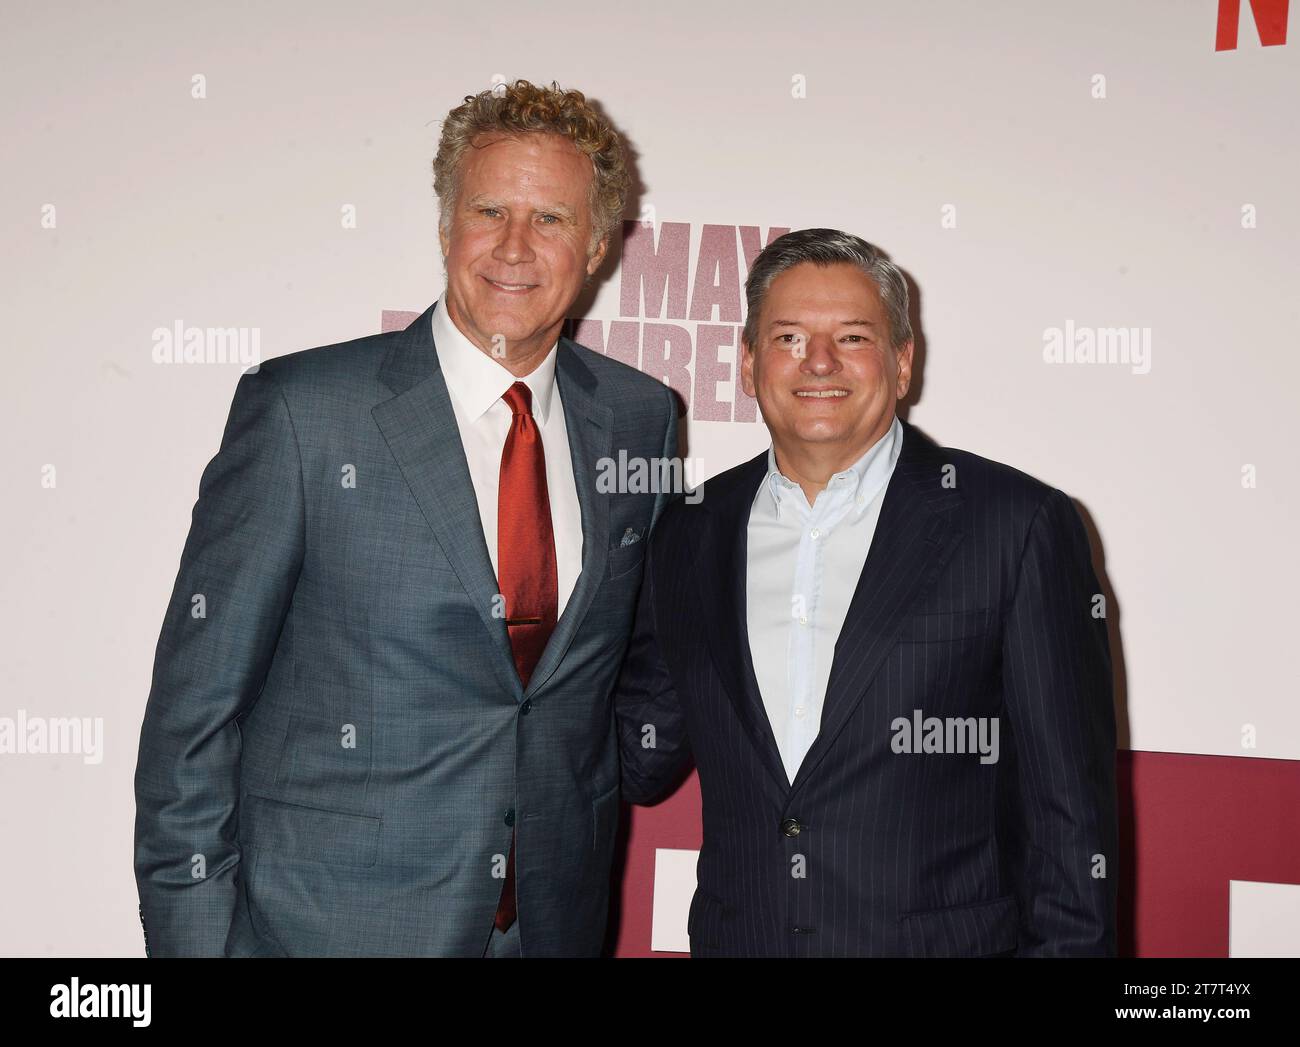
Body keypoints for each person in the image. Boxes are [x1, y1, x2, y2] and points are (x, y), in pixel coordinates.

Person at [134, 80, 677, 957]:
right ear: (444, 225)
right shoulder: (305, 413)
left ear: (598, 247)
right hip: (326, 928)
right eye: (489, 209)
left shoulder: (640, 415)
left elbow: (632, 656)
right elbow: (194, 716)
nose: (513, 246)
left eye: (550, 219)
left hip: (550, 927)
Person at [616, 228, 1117, 957]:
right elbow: (640, 752)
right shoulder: (689, 531)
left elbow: (1070, 822)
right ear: (750, 363)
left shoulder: (1016, 525)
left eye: (852, 336)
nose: (819, 361)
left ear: (903, 361)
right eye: (788, 337)